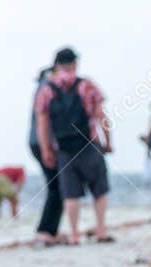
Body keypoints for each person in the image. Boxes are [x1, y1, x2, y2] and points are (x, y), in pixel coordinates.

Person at [34, 46, 112, 244]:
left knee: (70, 194)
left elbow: (42, 123)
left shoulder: (46, 90)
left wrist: (46, 149)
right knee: (99, 189)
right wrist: (108, 141)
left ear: (56, 64)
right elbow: (101, 116)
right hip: (90, 143)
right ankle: (101, 229)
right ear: (75, 63)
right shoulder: (87, 85)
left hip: (64, 148)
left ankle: (74, 234)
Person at [27, 68, 63, 243]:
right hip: (43, 143)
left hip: (39, 142)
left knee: (57, 186)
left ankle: (50, 231)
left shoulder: (42, 87)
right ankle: (45, 231)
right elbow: (43, 121)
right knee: (56, 186)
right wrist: (46, 148)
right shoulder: (47, 88)